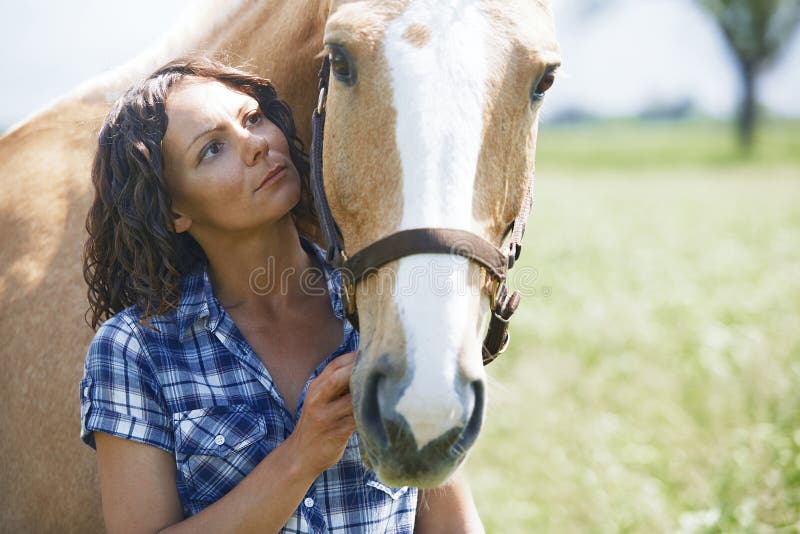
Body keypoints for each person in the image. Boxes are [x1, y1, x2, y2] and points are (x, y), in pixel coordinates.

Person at [80, 56, 483, 533]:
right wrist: (299, 457)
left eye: (252, 118)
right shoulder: (134, 349)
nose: (256, 144)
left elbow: (452, 524)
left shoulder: (384, 304)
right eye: (212, 149)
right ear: (172, 211)